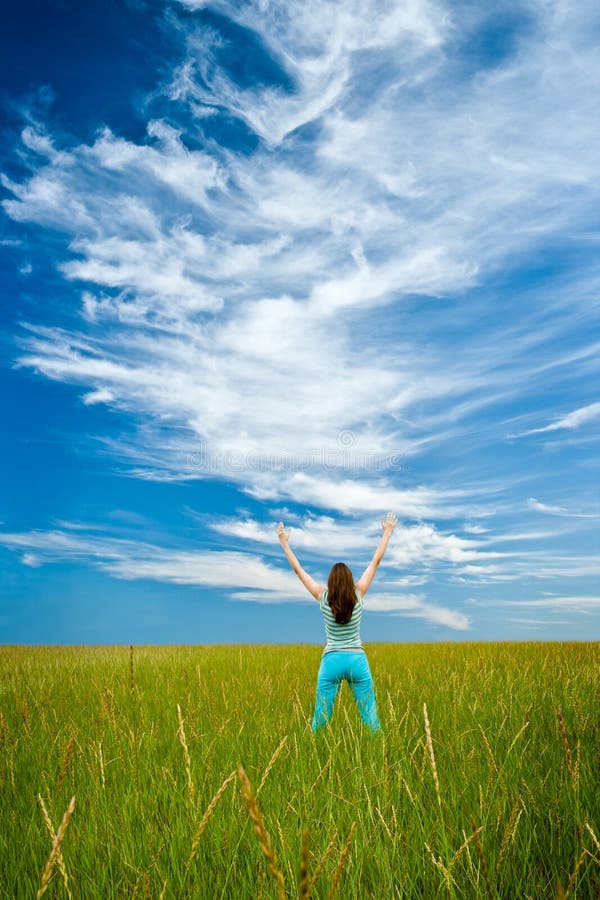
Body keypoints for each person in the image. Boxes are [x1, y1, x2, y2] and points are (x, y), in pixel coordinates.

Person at [277, 511, 397, 732]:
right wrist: (387, 533)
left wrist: (284, 543)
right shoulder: (359, 594)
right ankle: (381, 754)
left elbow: (298, 570)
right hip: (357, 661)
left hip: (331, 661)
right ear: (350, 580)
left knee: (320, 721)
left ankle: (313, 756)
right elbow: (375, 561)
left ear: (330, 582)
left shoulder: (322, 597)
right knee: (371, 720)